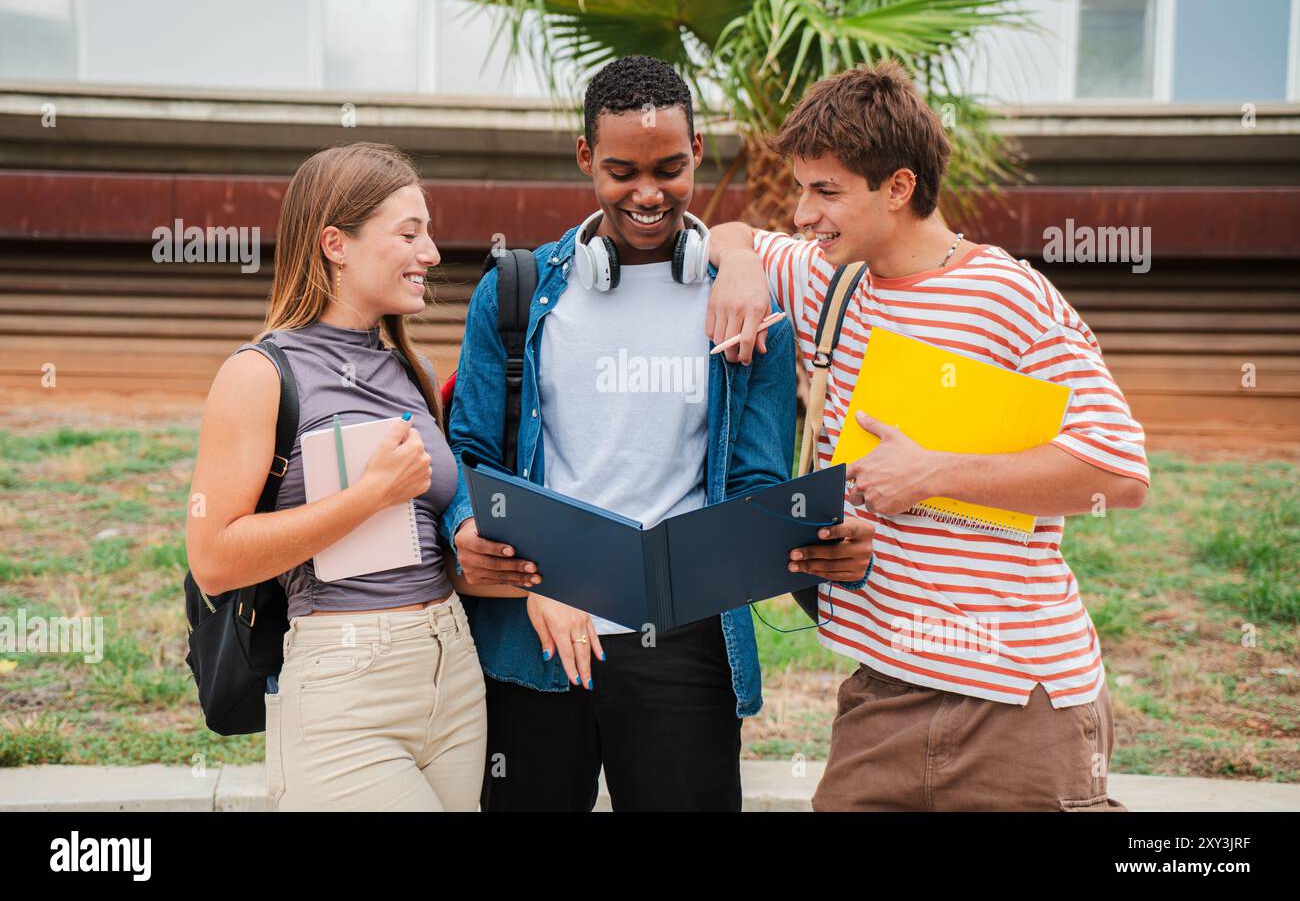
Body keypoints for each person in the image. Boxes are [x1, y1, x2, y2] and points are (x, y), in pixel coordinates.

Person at [705, 61, 1149, 811]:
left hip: (1018, 701)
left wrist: (933, 473)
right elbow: (723, 231)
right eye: (802, 188)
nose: (804, 213)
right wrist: (743, 264)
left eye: (825, 191)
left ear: (899, 188)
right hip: (882, 692)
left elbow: (1119, 473)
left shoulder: (1009, 297)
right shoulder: (828, 279)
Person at [442, 55, 874, 811]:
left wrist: (804, 534)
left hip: (687, 640)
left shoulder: (748, 304)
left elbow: (755, 480)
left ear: (698, 152)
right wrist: (478, 533)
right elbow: (470, 452)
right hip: (536, 633)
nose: (648, 193)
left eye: (670, 169)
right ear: (586, 160)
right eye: (621, 171)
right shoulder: (514, 290)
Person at [186, 142, 486, 811]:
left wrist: (475, 553)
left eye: (429, 233)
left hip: (451, 669)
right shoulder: (258, 375)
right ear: (335, 244)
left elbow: (423, 533)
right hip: (344, 684)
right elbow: (213, 561)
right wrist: (368, 496)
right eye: (409, 234)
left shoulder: (408, 368)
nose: (431, 253)